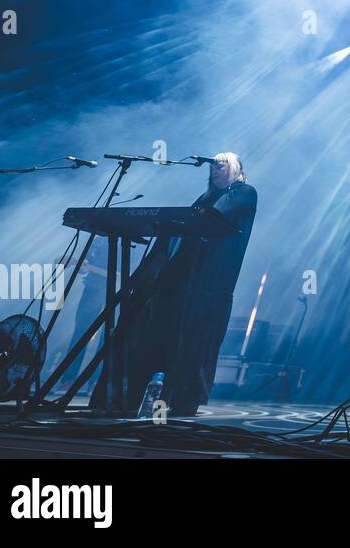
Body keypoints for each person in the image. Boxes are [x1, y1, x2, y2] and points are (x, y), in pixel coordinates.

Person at [91, 152, 257, 415]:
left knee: (190, 347)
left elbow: (213, 220)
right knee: (144, 333)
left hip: (206, 288)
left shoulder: (243, 192)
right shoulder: (204, 198)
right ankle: (119, 400)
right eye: (212, 166)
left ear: (236, 167)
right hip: (175, 285)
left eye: (221, 164)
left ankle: (180, 405)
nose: (214, 169)